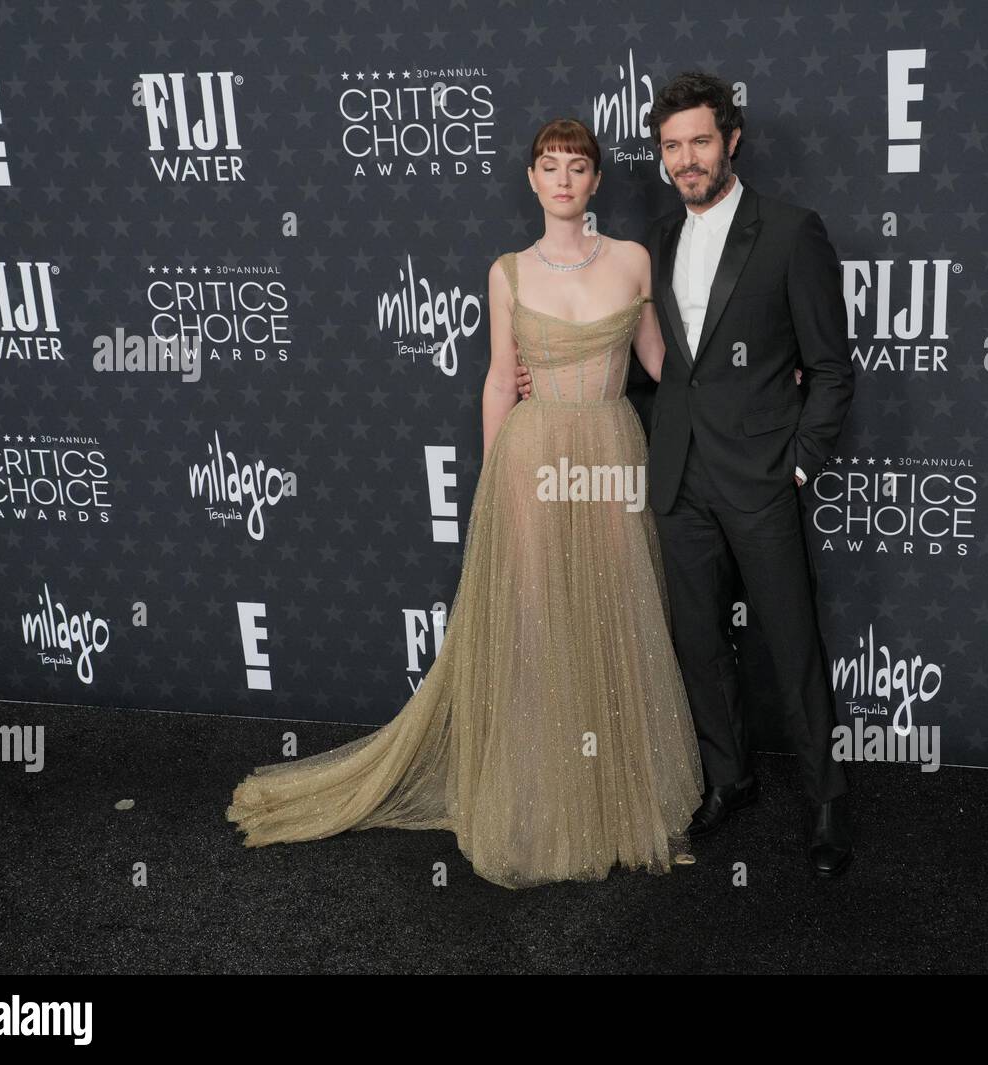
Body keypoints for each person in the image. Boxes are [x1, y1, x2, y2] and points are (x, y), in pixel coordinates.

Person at [226, 118, 704, 891]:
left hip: (615, 456)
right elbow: (496, 378)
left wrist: (749, 380)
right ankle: (547, 802)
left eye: (577, 167)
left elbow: (663, 365)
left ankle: (624, 804)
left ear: (596, 180)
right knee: (543, 624)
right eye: (548, 166)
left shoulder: (634, 261)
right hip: (532, 457)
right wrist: (492, 482)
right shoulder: (508, 272)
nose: (562, 179)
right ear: (530, 180)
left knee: (614, 617)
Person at [517, 72, 856, 878]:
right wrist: (551, 375)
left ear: (732, 141)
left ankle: (826, 805)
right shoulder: (657, 244)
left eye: (700, 141)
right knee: (698, 644)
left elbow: (832, 369)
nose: (686, 159)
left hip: (763, 479)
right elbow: (665, 368)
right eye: (672, 146)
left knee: (792, 643)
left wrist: (800, 467)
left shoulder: (791, 232)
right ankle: (729, 778)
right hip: (677, 479)